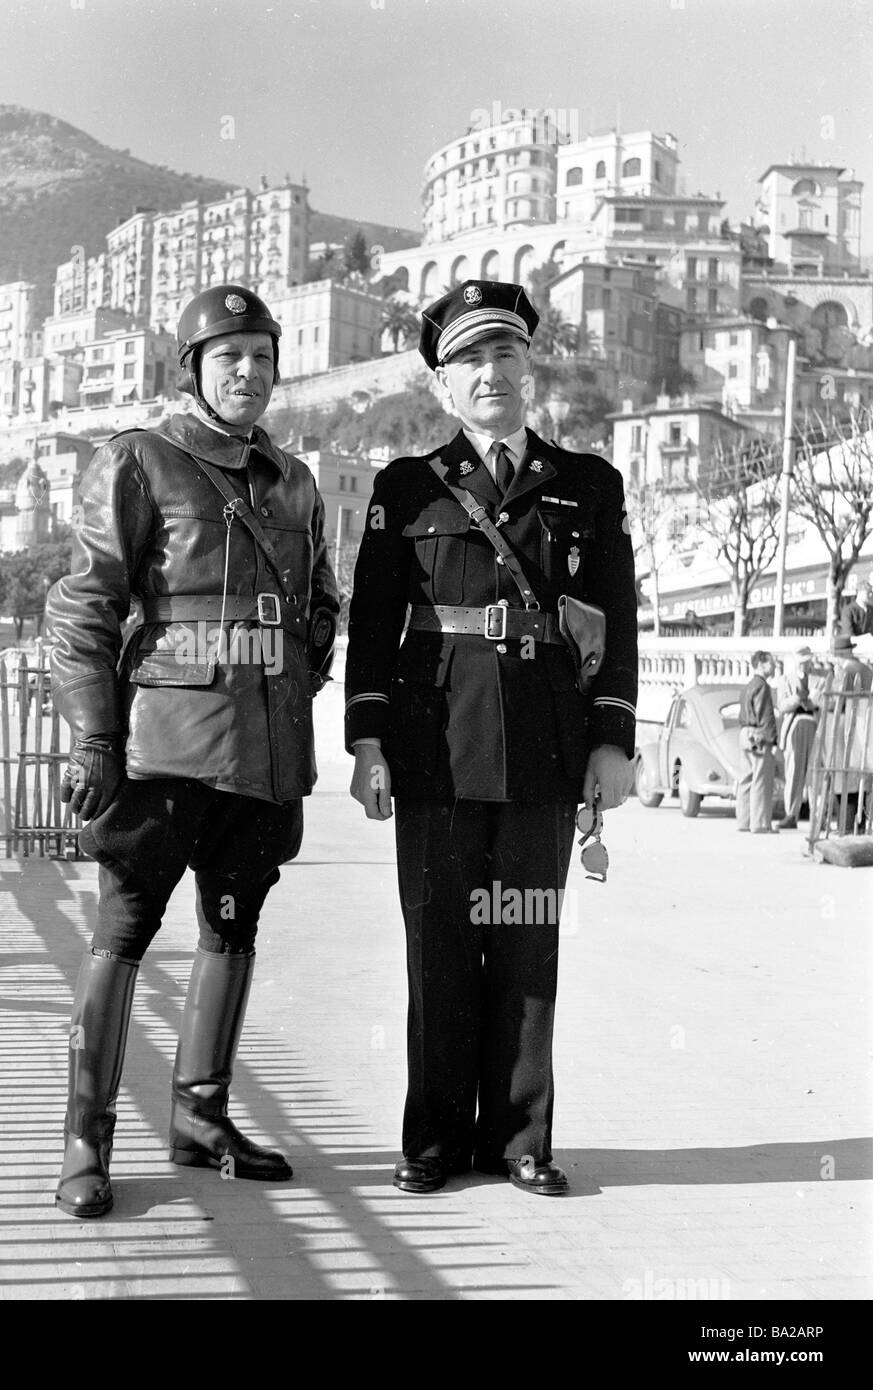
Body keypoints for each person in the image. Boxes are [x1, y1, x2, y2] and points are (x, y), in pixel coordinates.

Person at [45, 284, 341, 1219]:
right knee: (123, 933)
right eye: (228, 358)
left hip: (262, 755)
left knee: (233, 927)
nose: (247, 372)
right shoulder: (139, 461)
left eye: (260, 355)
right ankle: (84, 1145)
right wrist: (95, 733)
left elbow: (320, 603)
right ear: (193, 371)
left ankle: (201, 1119)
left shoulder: (293, 480)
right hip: (160, 750)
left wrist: (296, 680)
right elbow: (82, 606)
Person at [345, 280, 638, 1198]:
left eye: (503, 353)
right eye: (467, 360)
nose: (489, 373)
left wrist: (610, 743)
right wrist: (368, 743)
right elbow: (373, 629)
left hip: (546, 751)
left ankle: (518, 1140)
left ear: (528, 366)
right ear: (441, 385)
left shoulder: (588, 485)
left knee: (525, 948)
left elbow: (619, 624)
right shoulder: (405, 488)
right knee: (437, 950)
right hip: (435, 746)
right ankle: (432, 1140)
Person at [775, 646, 817, 830]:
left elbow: (824, 701)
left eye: (808, 661)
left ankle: (818, 815)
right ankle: (791, 813)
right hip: (795, 724)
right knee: (794, 771)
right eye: (802, 661)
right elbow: (782, 705)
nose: (806, 665)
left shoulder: (820, 678)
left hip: (814, 724)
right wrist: (797, 699)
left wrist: (812, 702)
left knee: (816, 771)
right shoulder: (786, 679)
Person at [736, 650, 778, 834]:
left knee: (746, 779)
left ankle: (744, 821)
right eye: (771, 663)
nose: (774, 666)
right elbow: (765, 716)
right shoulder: (763, 687)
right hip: (759, 735)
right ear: (761, 664)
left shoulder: (748, 686)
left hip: (744, 733)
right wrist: (772, 740)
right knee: (761, 780)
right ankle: (759, 823)